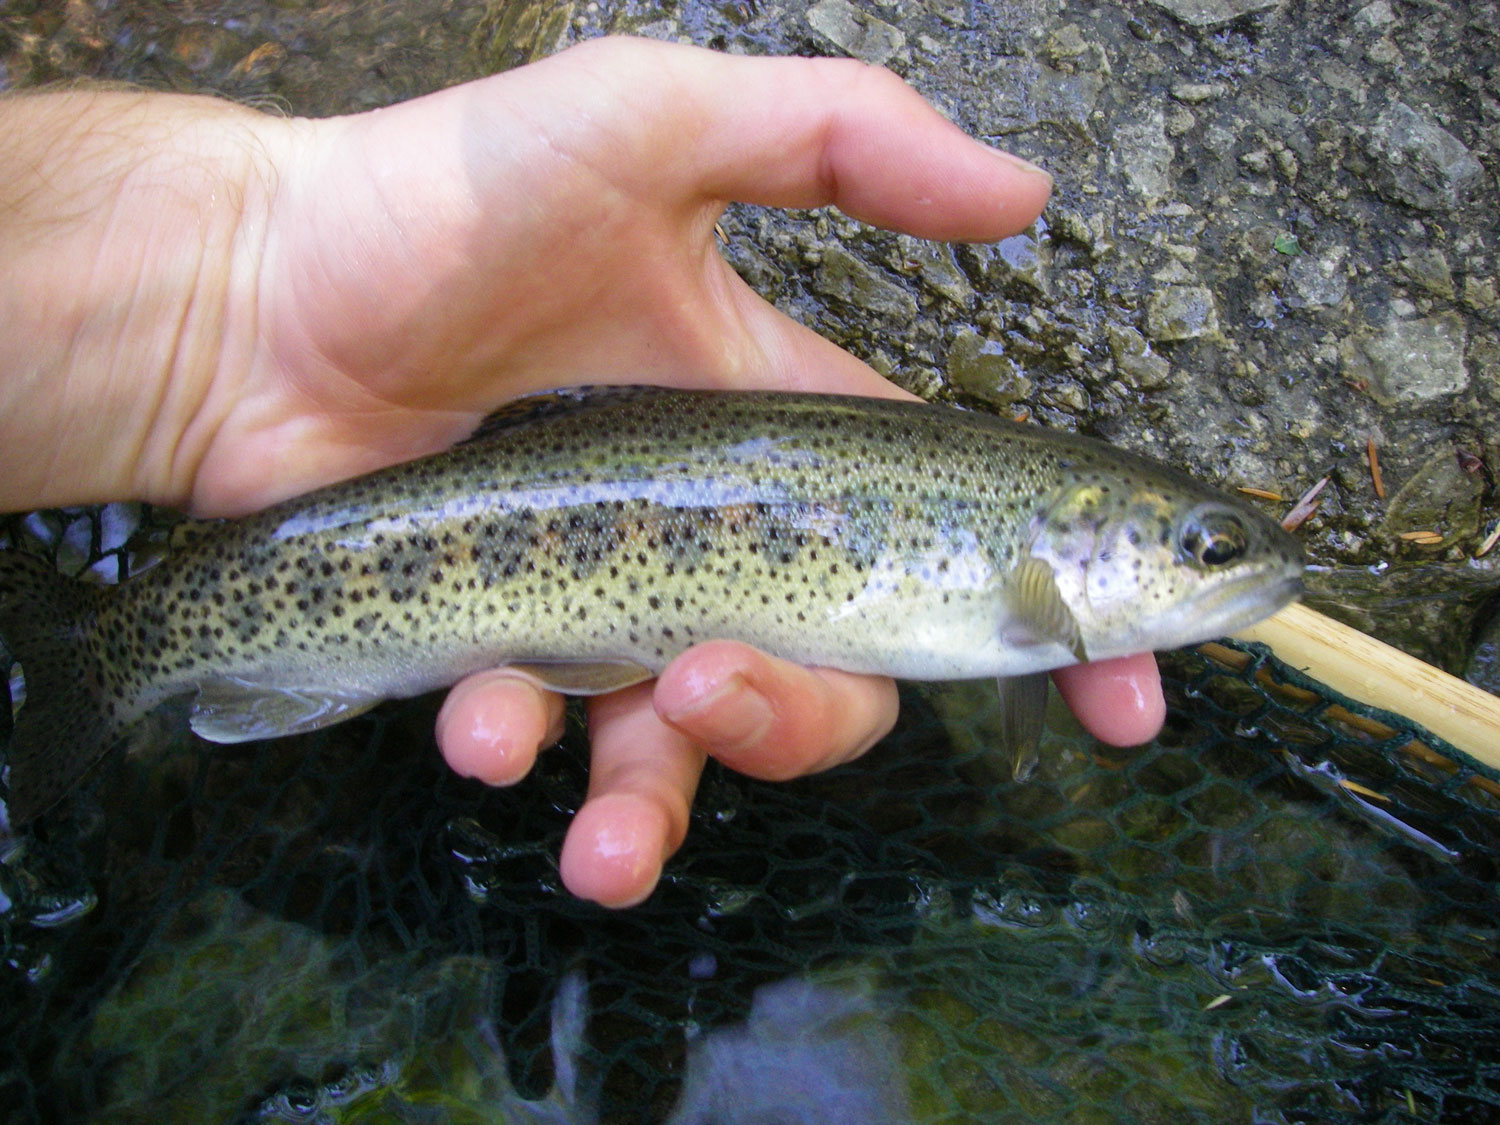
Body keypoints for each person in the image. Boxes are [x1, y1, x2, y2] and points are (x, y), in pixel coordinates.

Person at [0, 36, 1163, 907]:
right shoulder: (1034, 588)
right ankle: (105, 652)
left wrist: (223, 285)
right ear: (1078, 538)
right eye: (1209, 550)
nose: (1225, 570)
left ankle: (103, 649)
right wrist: (235, 269)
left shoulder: (1032, 589)